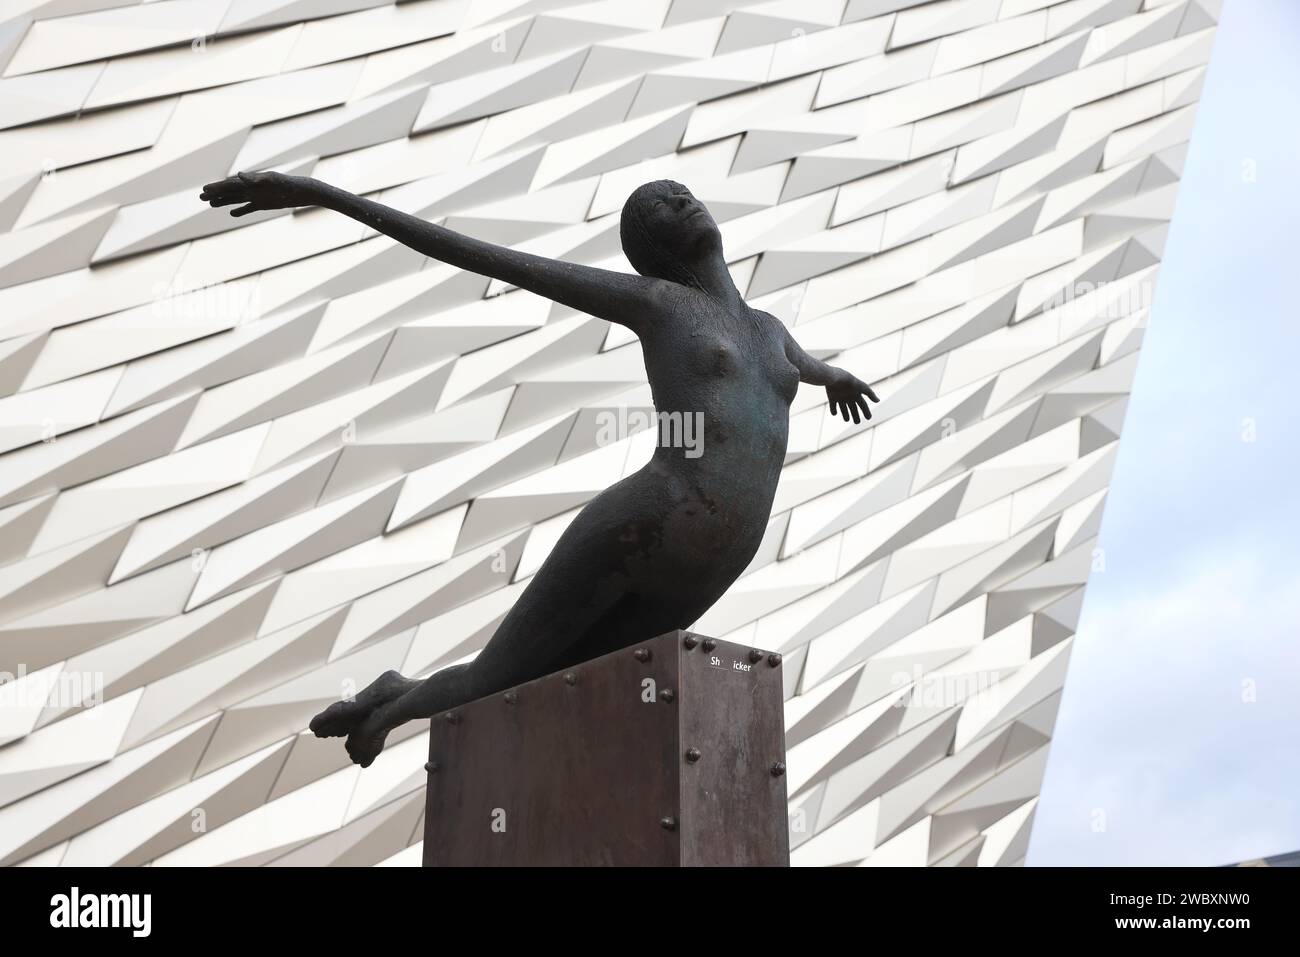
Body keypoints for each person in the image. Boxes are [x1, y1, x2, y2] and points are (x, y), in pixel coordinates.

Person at [200, 172, 880, 766]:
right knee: (501, 679)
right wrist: (320, 195)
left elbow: (807, 369)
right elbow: (487, 257)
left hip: (716, 553)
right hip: (648, 525)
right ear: (654, 250)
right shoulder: (660, 303)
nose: (681, 201)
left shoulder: (768, 330)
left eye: (682, 195)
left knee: (563, 682)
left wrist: (836, 377)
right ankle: (395, 702)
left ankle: (397, 699)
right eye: (662, 208)